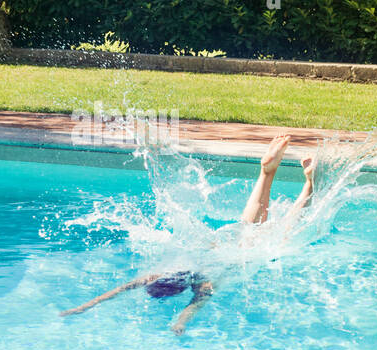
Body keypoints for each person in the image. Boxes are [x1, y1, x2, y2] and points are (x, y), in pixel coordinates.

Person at [61, 137, 315, 334]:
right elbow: (118, 290)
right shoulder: (161, 272)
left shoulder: (204, 286)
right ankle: (266, 173)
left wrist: (179, 324)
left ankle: (309, 184)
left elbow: (193, 307)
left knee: (280, 237)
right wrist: (84, 305)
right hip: (213, 246)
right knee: (247, 225)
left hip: (236, 257)